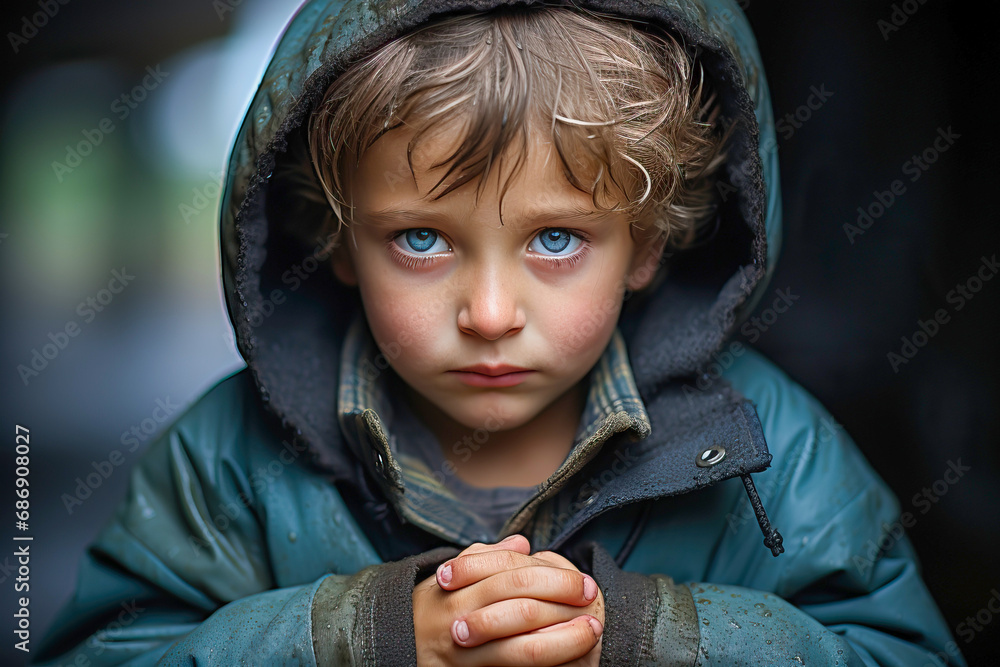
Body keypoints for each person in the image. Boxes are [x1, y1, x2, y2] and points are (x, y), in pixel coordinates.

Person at [36, 1, 965, 665]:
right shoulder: (227, 460)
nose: (488, 312)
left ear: (646, 243)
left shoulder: (773, 450)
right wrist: (366, 636)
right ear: (340, 240)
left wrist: (648, 638)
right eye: (422, 238)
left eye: (556, 239)